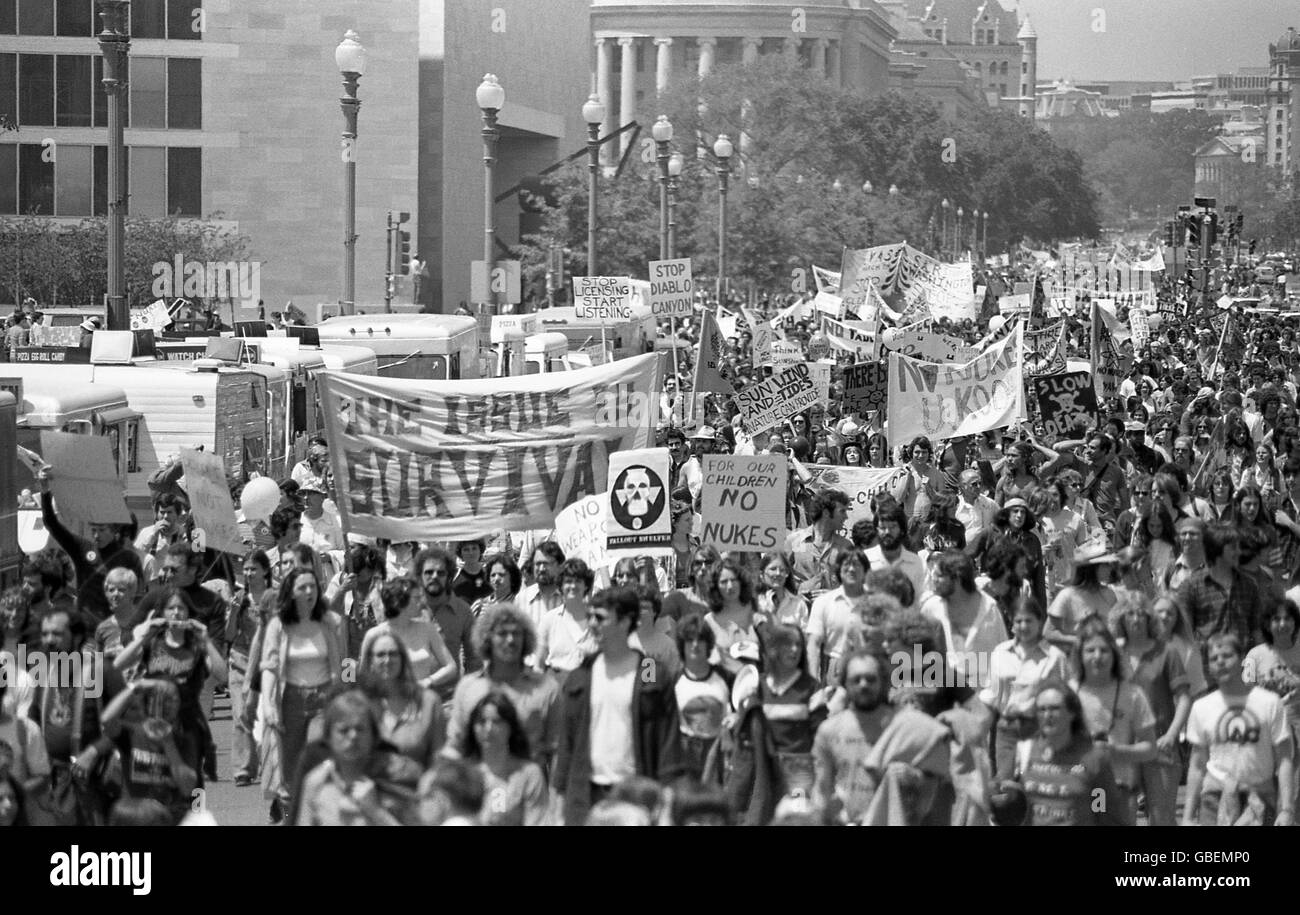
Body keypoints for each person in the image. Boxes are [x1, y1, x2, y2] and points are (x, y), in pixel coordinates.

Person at [552, 587, 683, 826]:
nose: (591, 623)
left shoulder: (649, 670)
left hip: (638, 794)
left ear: (625, 621)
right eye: (590, 616)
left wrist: (667, 800)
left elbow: (668, 738)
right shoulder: (581, 675)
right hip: (587, 794)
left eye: (600, 617)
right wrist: (559, 803)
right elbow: (566, 745)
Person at [259, 567, 345, 819]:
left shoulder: (330, 622)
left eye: (313, 587)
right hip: (290, 700)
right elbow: (269, 668)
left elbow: (342, 663)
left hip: (324, 698)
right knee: (290, 769)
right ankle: (292, 817)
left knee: (321, 761)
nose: (309, 592)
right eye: (302, 587)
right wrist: (267, 705)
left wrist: (346, 693)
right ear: (291, 592)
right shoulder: (278, 625)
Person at [27, 608, 126, 826]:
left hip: (95, 783)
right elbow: (32, 723)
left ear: (78, 636)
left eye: (57, 634)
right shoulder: (43, 673)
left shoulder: (101, 671)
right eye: (44, 634)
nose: (49, 640)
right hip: (53, 783)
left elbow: (128, 723)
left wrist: (94, 751)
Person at [1184, 633, 1295, 826]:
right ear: (1208, 666)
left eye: (1227, 656)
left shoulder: (1269, 702)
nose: (1220, 662)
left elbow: (1284, 759)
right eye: (1214, 659)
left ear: (1242, 659)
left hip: (1260, 797)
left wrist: (1286, 809)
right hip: (1215, 798)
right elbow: (1197, 765)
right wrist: (1187, 817)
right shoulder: (1201, 707)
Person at [727, 623, 829, 825]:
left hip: (800, 773)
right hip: (762, 769)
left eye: (798, 645)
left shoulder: (811, 688)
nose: (794, 650)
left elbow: (821, 735)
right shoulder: (756, 685)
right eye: (787, 644)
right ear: (772, 649)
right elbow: (745, 724)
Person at [444, 605, 561, 771]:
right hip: (479, 788)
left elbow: (557, 751)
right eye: (502, 633)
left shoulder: (546, 688)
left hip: (529, 789)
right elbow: (455, 745)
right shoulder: (468, 688)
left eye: (516, 633)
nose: (511, 640)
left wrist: (556, 795)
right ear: (487, 639)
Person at [1112, 591, 1191, 827]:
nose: (1135, 620)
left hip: (1160, 743)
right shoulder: (1112, 653)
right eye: (1129, 615)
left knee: (1161, 818)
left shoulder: (1167, 652)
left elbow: (1184, 698)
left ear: (1149, 618)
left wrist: (1172, 734)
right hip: (1121, 747)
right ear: (1121, 620)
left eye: (1140, 614)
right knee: (1114, 815)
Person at [1069, 616, 1157, 823]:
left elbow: (1150, 748)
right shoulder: (1069, 693)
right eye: (1090, 650)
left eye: (1104, 650)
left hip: (1120, 788)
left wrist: (1115, 752)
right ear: (1080, 655)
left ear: (1114, 654)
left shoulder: (1132, 694)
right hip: (1078, 787)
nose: (1097, 657)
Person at [1012, 679, 1131, 825]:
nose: (1047, 715)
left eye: (1055, 708)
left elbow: (1105, 814)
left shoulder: (1094, 759)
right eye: (1042, 709)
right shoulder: (1025, 752)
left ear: (1072, 713)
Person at [36, 466, 145, 625]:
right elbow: (51, 524)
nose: (96, 535)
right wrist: (45, 491)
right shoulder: (83, 548)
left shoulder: (129, 558)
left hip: (115, 628)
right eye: (93, 529)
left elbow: (139, 596)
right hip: (84, 628)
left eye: (102, 530)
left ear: (114, 530)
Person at [295, 691, 421, 826]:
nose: (353, 736)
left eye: (360, 729)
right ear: (328, 738)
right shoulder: (316, 782)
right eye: (343, 730)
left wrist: (376, 811)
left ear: (374, 736)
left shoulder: (400, 775)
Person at [979, 596, 1068, 780]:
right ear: (1012, 624)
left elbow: (1067, 698)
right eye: (1019, 621)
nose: (1024, 626)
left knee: (1037, 783)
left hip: (1040, 729)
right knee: (1005, 788)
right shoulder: (1000, 653)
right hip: (1007, 729)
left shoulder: (1055, 657)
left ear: (1039, 622)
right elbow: (991, 697)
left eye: (1029, 620)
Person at [812, 648, 897, 824]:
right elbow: (822, 789)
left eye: (870, 679)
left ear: (882, 682)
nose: (863, 684)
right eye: (856, 679)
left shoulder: (900, 725)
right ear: (845, 683)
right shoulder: (829, 730)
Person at [99, 679, 199, 825]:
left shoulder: (184, 739)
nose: (167, 705)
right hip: (134, 816)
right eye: (161, 699)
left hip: (168, 818)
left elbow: (187, 787)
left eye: (172, 699)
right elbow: (106, 720)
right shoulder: (131, 732)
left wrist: (168, 743)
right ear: (149, 703)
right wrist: (136, 686)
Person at [458, 691, 550, 826]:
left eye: (496, 721)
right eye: (482, 721)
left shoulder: (529, 774)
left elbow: (538, 821)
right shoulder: (460, 774)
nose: (488, 729)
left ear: (510, 727)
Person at [919, 550, 1007, 688]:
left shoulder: (990, 610)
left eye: (939, 576)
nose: (933, 579)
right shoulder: (931, 608)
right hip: (946, 695)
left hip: (985, 694)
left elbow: (1003, 656)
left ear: (957, 579)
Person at [357, 633, 443, 769]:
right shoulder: (359, 703)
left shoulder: (429, 701)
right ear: (371, 661)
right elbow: (346, 655)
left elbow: (439, 758)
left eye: (393, 654)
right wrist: (347, 681)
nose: (387, 660)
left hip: (415, 785)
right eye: (380, 655)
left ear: (403, 659)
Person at [1172, 523, 1262, 651]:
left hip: (1242, 664)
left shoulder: (1249, 585)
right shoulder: (1191, 586)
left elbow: (1256, 630)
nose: (1238, 552)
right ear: (1217, 548)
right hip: (1206, 664)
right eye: (1233, 547)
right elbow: (1185, 634)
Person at [360, 577, 458, 694]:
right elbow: (363, 677)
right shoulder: (374, 635)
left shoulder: (427, 628)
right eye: (416, 598)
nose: (422, 602)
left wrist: (428, 681)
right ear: (399, 601)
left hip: (420, 701)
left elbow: (451, 667)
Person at [225, 551, 270, 787]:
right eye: (246, 569)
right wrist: (233, 611)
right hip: (241, 661)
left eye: (254, 568)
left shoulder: (274, 597)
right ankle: (243, 769)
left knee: (266, 716)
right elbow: (229, 635)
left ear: (265, 570)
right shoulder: (239, 598)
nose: (249, 573)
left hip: (268, 664)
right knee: (241, 713)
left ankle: (269, 764)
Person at [673, 613, 732, 784]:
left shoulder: (725, 676)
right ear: (682, 645)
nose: (695, 645)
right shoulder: (674, 680)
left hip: (720, 753)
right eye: (690, 640)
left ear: (709, 644)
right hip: (686, 754)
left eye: (700, 640)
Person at [414, 547, 477, 699]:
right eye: (428, 572)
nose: (434, 576)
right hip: (412, 698)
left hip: (450, 701)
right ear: (419, 576)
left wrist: (467, 694)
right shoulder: (406, 609)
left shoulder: (463, 611)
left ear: (449, 577)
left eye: (441, 573)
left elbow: (474, 659)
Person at [1044, 543, 1119, 652]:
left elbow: (1116, 627)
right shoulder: (1067, 596)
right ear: (1092, 568)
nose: (1110, 567)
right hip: (1074, 660)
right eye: (1105, 564)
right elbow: (1049, 633)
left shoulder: (1110, 594)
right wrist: (1081, 641)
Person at [536, 558, 598, 684]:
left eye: (578, 581)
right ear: (560, 586)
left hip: (589, 687)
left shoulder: (598, 619)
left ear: (586, 585)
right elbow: (538, 664)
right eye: (568, 582)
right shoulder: (549, 620)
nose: (573, 586)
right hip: (556, 687)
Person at [703, 558, 764, 677]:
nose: (730, 586)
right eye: (724, 582)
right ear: (715, 586)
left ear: (741, 582)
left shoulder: (757, 617)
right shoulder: (709, 621)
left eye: (733, 580)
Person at [785, 488, 853, 593]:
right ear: (826, 513)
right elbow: (779, 573)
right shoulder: (794, 540)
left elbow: (852, 582)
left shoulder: (846, 546)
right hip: (800, 606)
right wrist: (801, 588)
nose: (846, 517)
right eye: (842, 511)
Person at [326, 543, 385, 658]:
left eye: (360, 574)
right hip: (347, 650)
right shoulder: (339, 580)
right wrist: (342, 590)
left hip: (377, 650)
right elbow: (329, 612)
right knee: (348, 676)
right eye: (354, 573)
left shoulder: (383, 583)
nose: (355, 577)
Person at [865, 503, 927, 602]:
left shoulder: (917, 563)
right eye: (882, 528)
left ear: (902, 530)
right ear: (876, 530)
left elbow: (921, 600)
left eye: (893, 527)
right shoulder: (865, 560)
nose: (887, 532)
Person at [629, 585, 682, 687]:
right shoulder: (622, 642)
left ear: (654, 611)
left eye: (644, 608)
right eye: (636, 607)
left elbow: (675, 681)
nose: (639, 612)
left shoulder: (667, 646)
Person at [91, 567, 141, 664]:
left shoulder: (145, 621)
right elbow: (98, 669)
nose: (115, 594)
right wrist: (105, 656)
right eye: (111, 590)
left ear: (132, 592)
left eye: (121, 590)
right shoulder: (103, 628)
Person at [516, 542, 565, 629]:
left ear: (560, 566)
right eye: (538, 564)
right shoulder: (522, 599)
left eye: (546, 564)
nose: (541, 569)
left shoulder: (570, 597)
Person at [754, 551, 807, 628]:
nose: (778, 573)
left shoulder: (799, 604)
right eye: (773, 569)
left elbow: (804, 635)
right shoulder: (753, 604)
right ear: (762, 574)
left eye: (782, 570)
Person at [473, 553, 522, 618]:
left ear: (512, 577)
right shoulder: (481, 605)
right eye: (493, 575)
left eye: (501, 575)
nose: (496, 579)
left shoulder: (520, 603)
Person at [451, 539, 492, 606]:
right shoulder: (454, 576)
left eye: (474, 548)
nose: (471, 552)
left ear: (480, 550)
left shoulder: (491, 574)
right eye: (466, 549)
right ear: (460, 553)